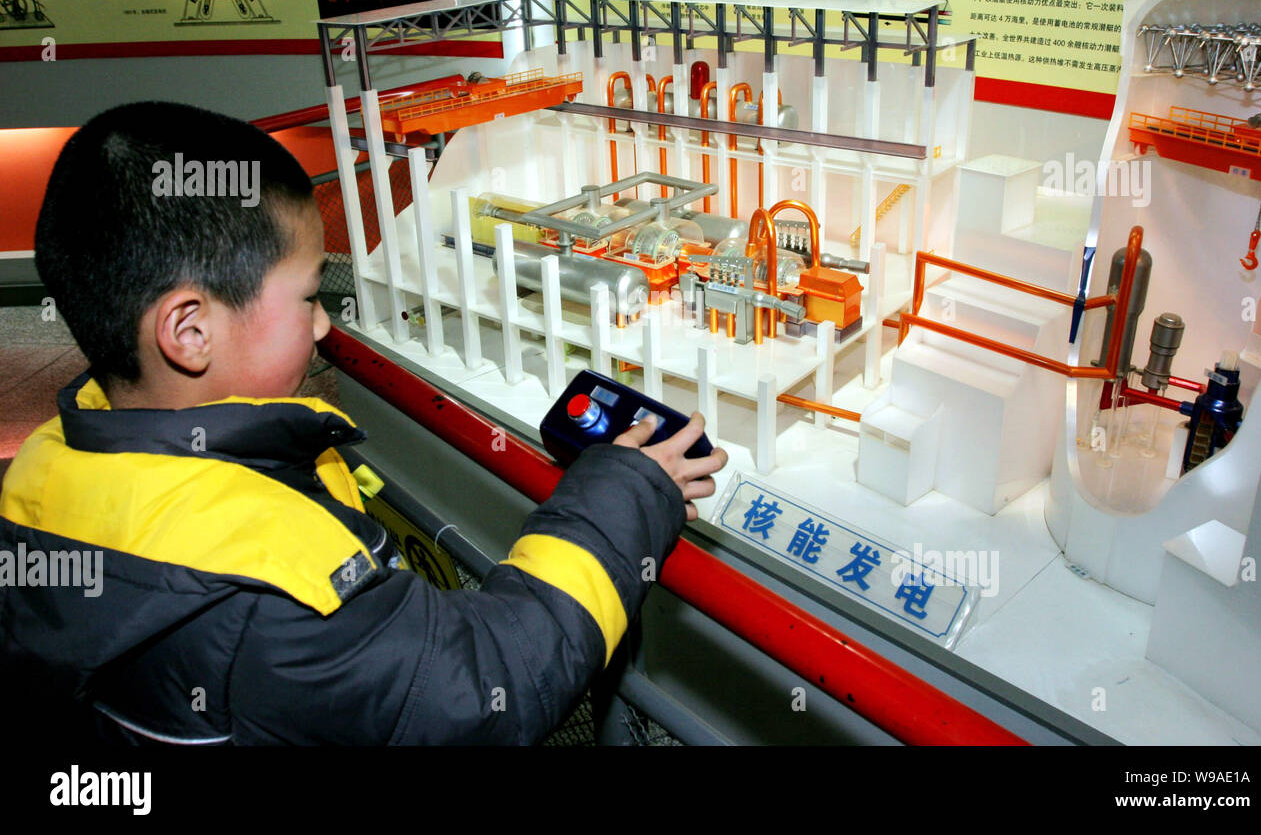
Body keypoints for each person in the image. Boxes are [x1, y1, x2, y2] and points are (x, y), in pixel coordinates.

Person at [0, 101, 727, 744]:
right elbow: (485, 690)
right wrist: (628, 488)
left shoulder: (40, 474)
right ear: (189, 331)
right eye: (309, 296)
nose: (321, 325)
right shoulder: (270, 602)